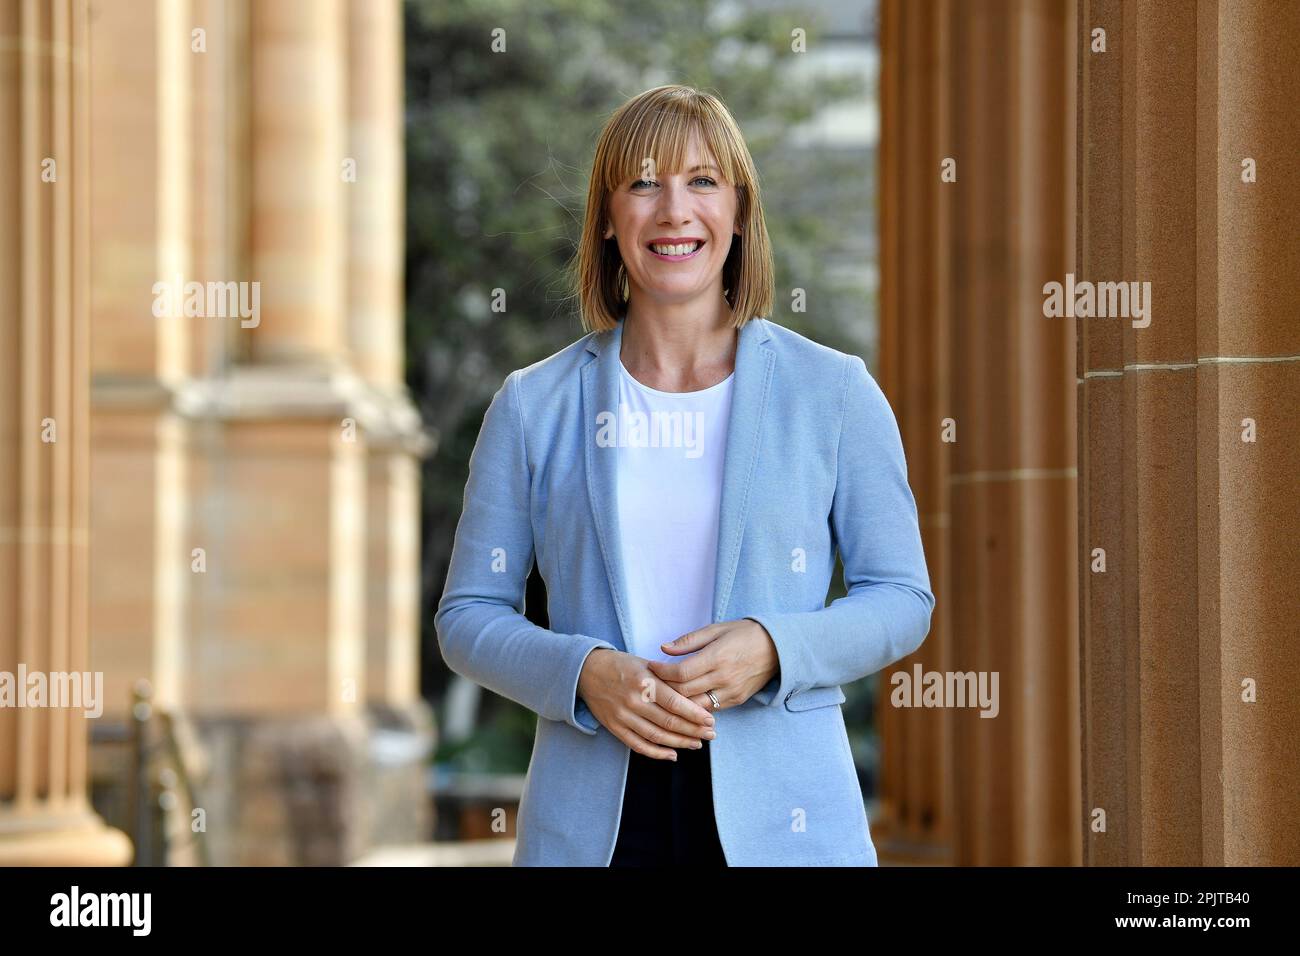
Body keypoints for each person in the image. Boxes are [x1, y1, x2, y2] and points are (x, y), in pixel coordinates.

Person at [435, 85, 935, 866]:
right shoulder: (534, 406)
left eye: (703, 181)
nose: (674, 210)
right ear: (607, 217)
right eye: (643, 183)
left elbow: (902, 599)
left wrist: (776, 646)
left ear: (739, 213)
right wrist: (583, 673)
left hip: (787, 822)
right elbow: (467, 616)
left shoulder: (832, 391)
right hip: (593, 825)